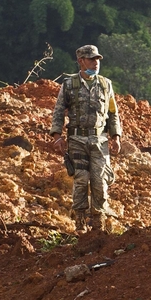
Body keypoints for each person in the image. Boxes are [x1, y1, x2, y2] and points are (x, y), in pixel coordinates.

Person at [50, 45, 123, 234]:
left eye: (97, 59)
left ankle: (98, 224)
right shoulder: (69, 85)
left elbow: (113, 113)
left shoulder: (106, 84)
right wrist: (57, 137)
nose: (95, 63)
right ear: (81, 61)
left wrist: (116, 136)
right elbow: (59, 111)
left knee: (100, 182)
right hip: (77, 140)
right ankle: (80, 224)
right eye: (91, 59)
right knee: (81, 180)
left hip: (100, 141)